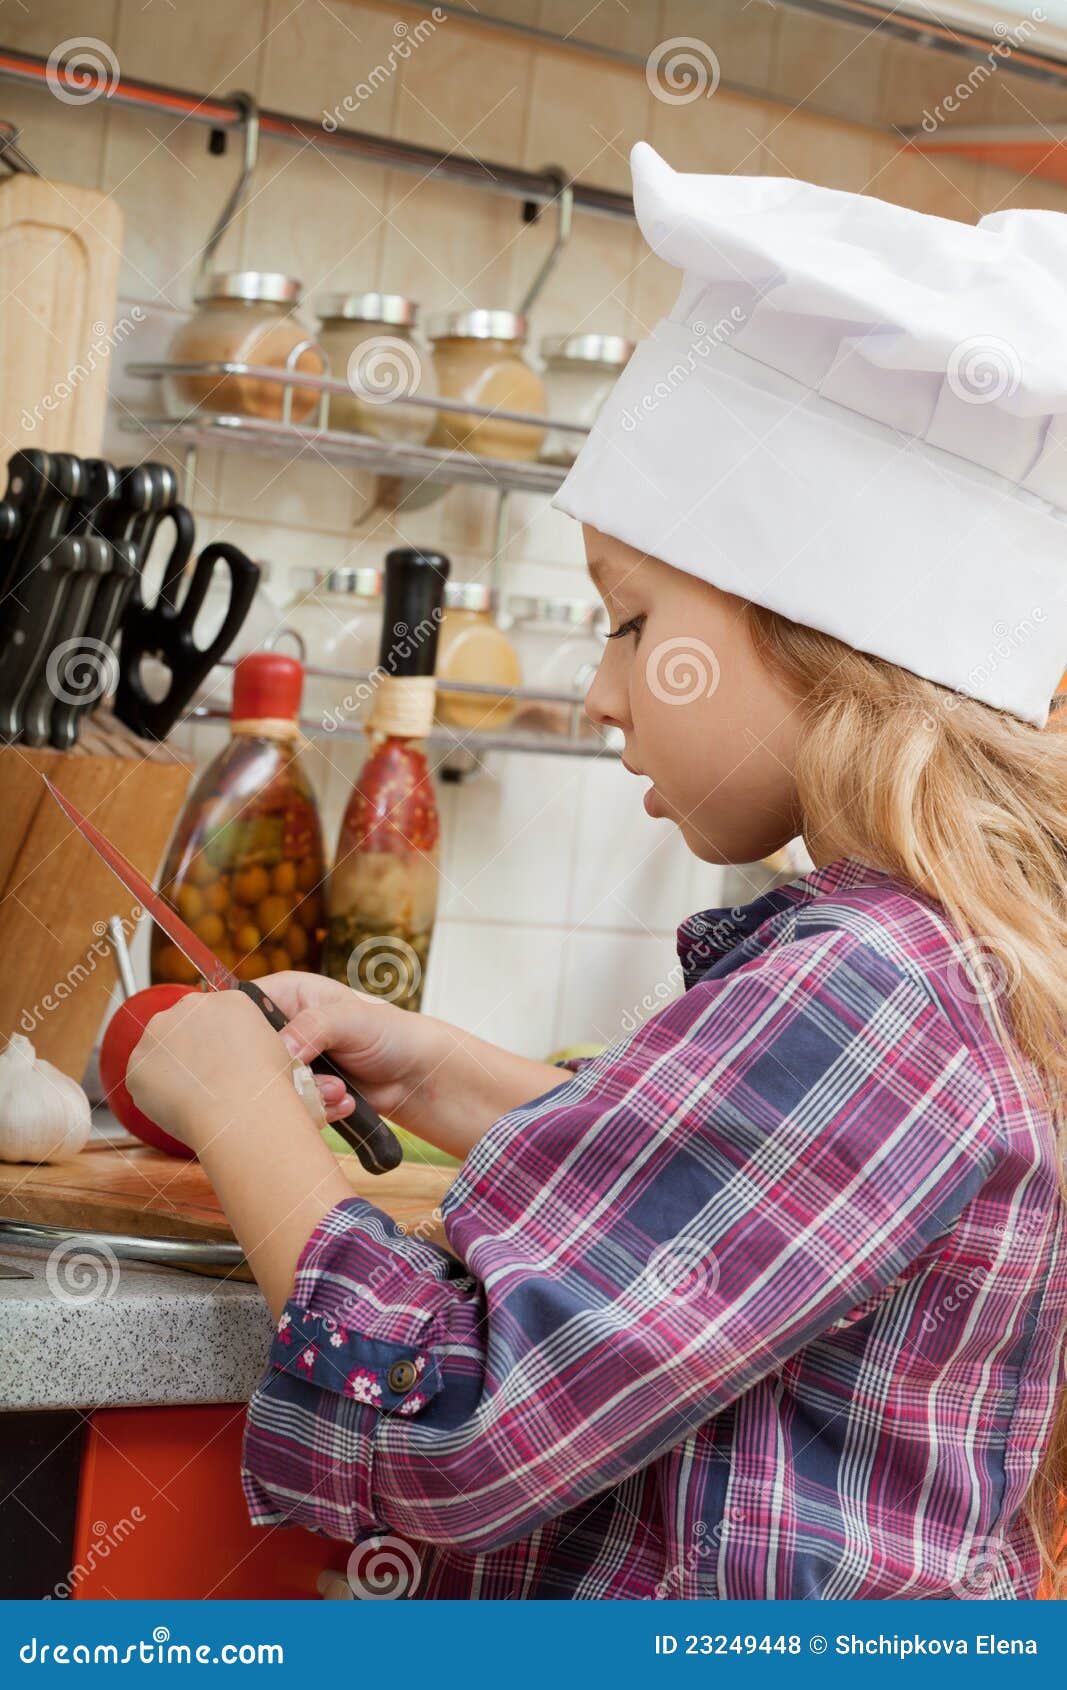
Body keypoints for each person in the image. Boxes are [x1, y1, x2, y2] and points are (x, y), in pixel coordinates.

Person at [128, 142, 1067, 1600]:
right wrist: (433, 1062)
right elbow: (759, 1197)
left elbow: (447, 1416)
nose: (602, 690)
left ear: (819, 632)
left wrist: (240, 1102)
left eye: (633, 624)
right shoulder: (928, 964)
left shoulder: (865, 987)